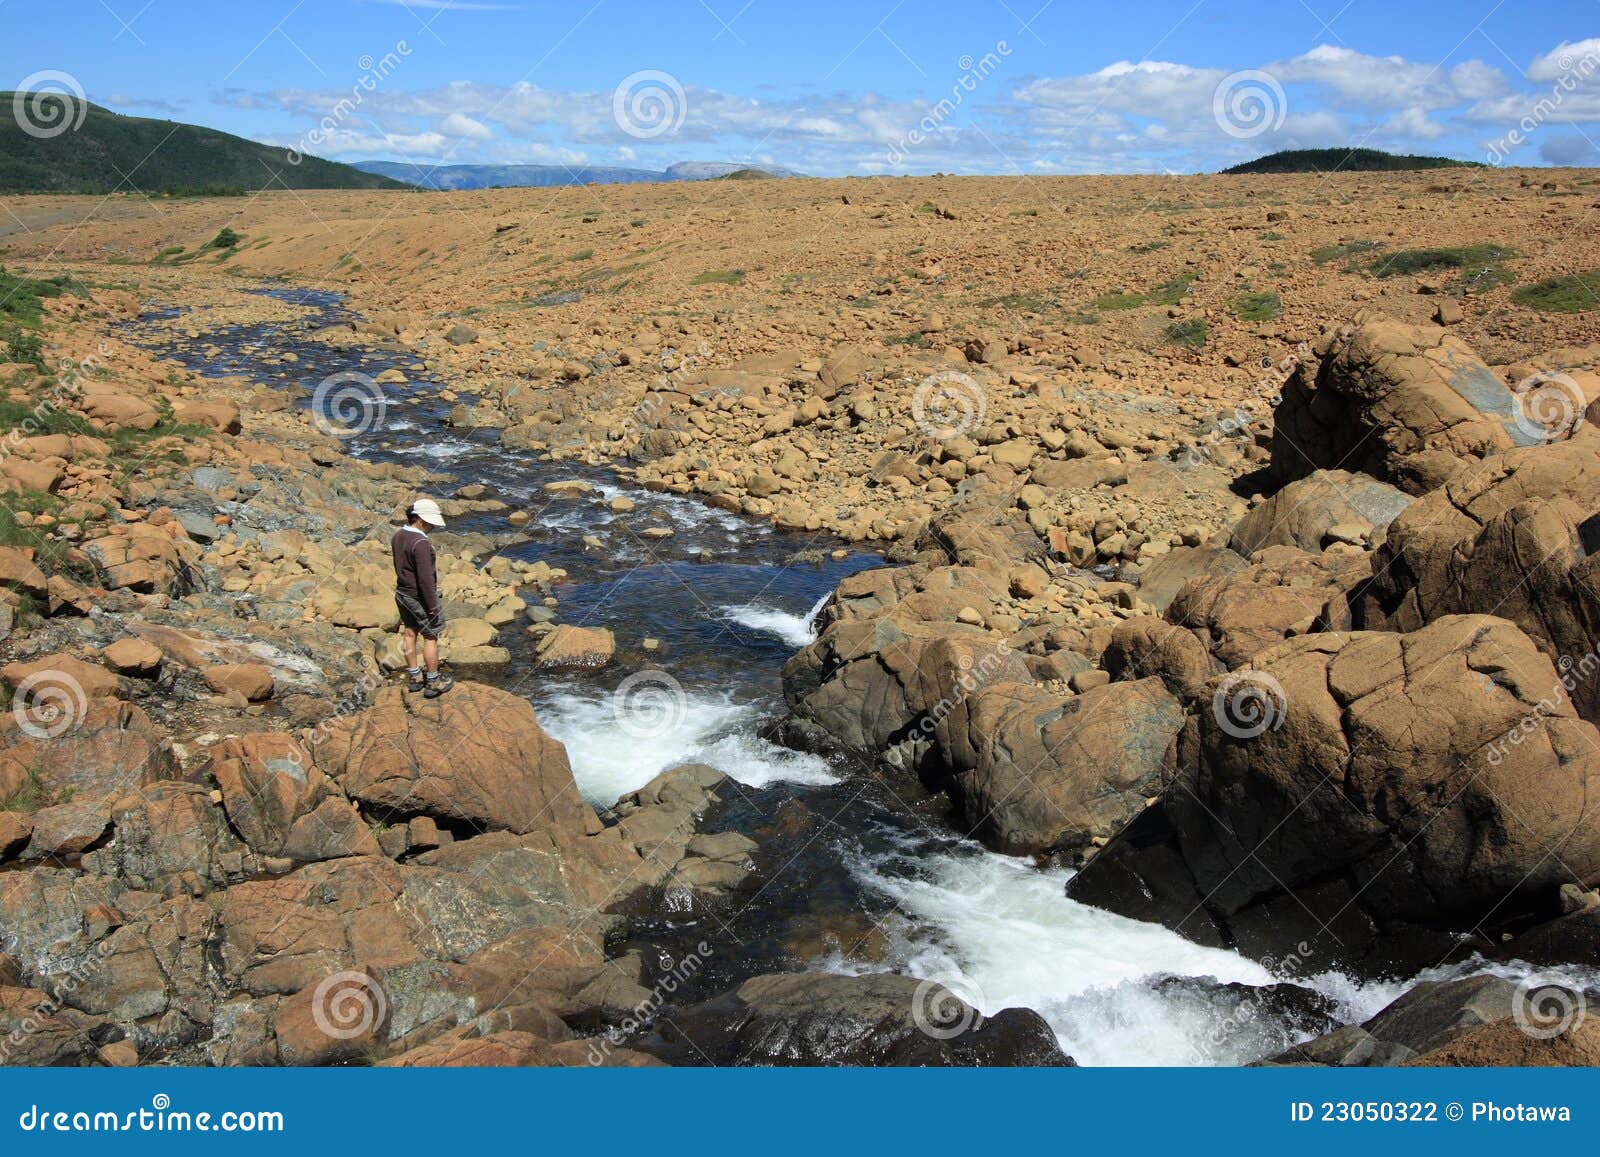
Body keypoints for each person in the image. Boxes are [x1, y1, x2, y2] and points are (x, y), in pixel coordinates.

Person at [392, 498, 454, 698]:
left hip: (402, 593)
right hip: (418, 596)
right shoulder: (421, 543)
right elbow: (426, 580)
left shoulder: (398, 535)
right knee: (431, 636)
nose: (432, 526)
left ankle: (415, 677)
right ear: (418, 519)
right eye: (430, 522)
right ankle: (433, 681)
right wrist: (433, 606)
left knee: (410, 633)